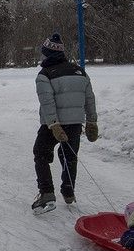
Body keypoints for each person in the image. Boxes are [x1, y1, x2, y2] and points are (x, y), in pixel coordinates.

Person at [31, 33, 98, 214]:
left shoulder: (45, 74)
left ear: (47, 54)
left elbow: (47, 102)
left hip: (52, 125)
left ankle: (47, 193)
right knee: (69, 155)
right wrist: (92, 121)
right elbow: (89, 98)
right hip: (75, 123)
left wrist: (54, 124)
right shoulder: (80, 71)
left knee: (41, 153)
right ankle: (68, 191)